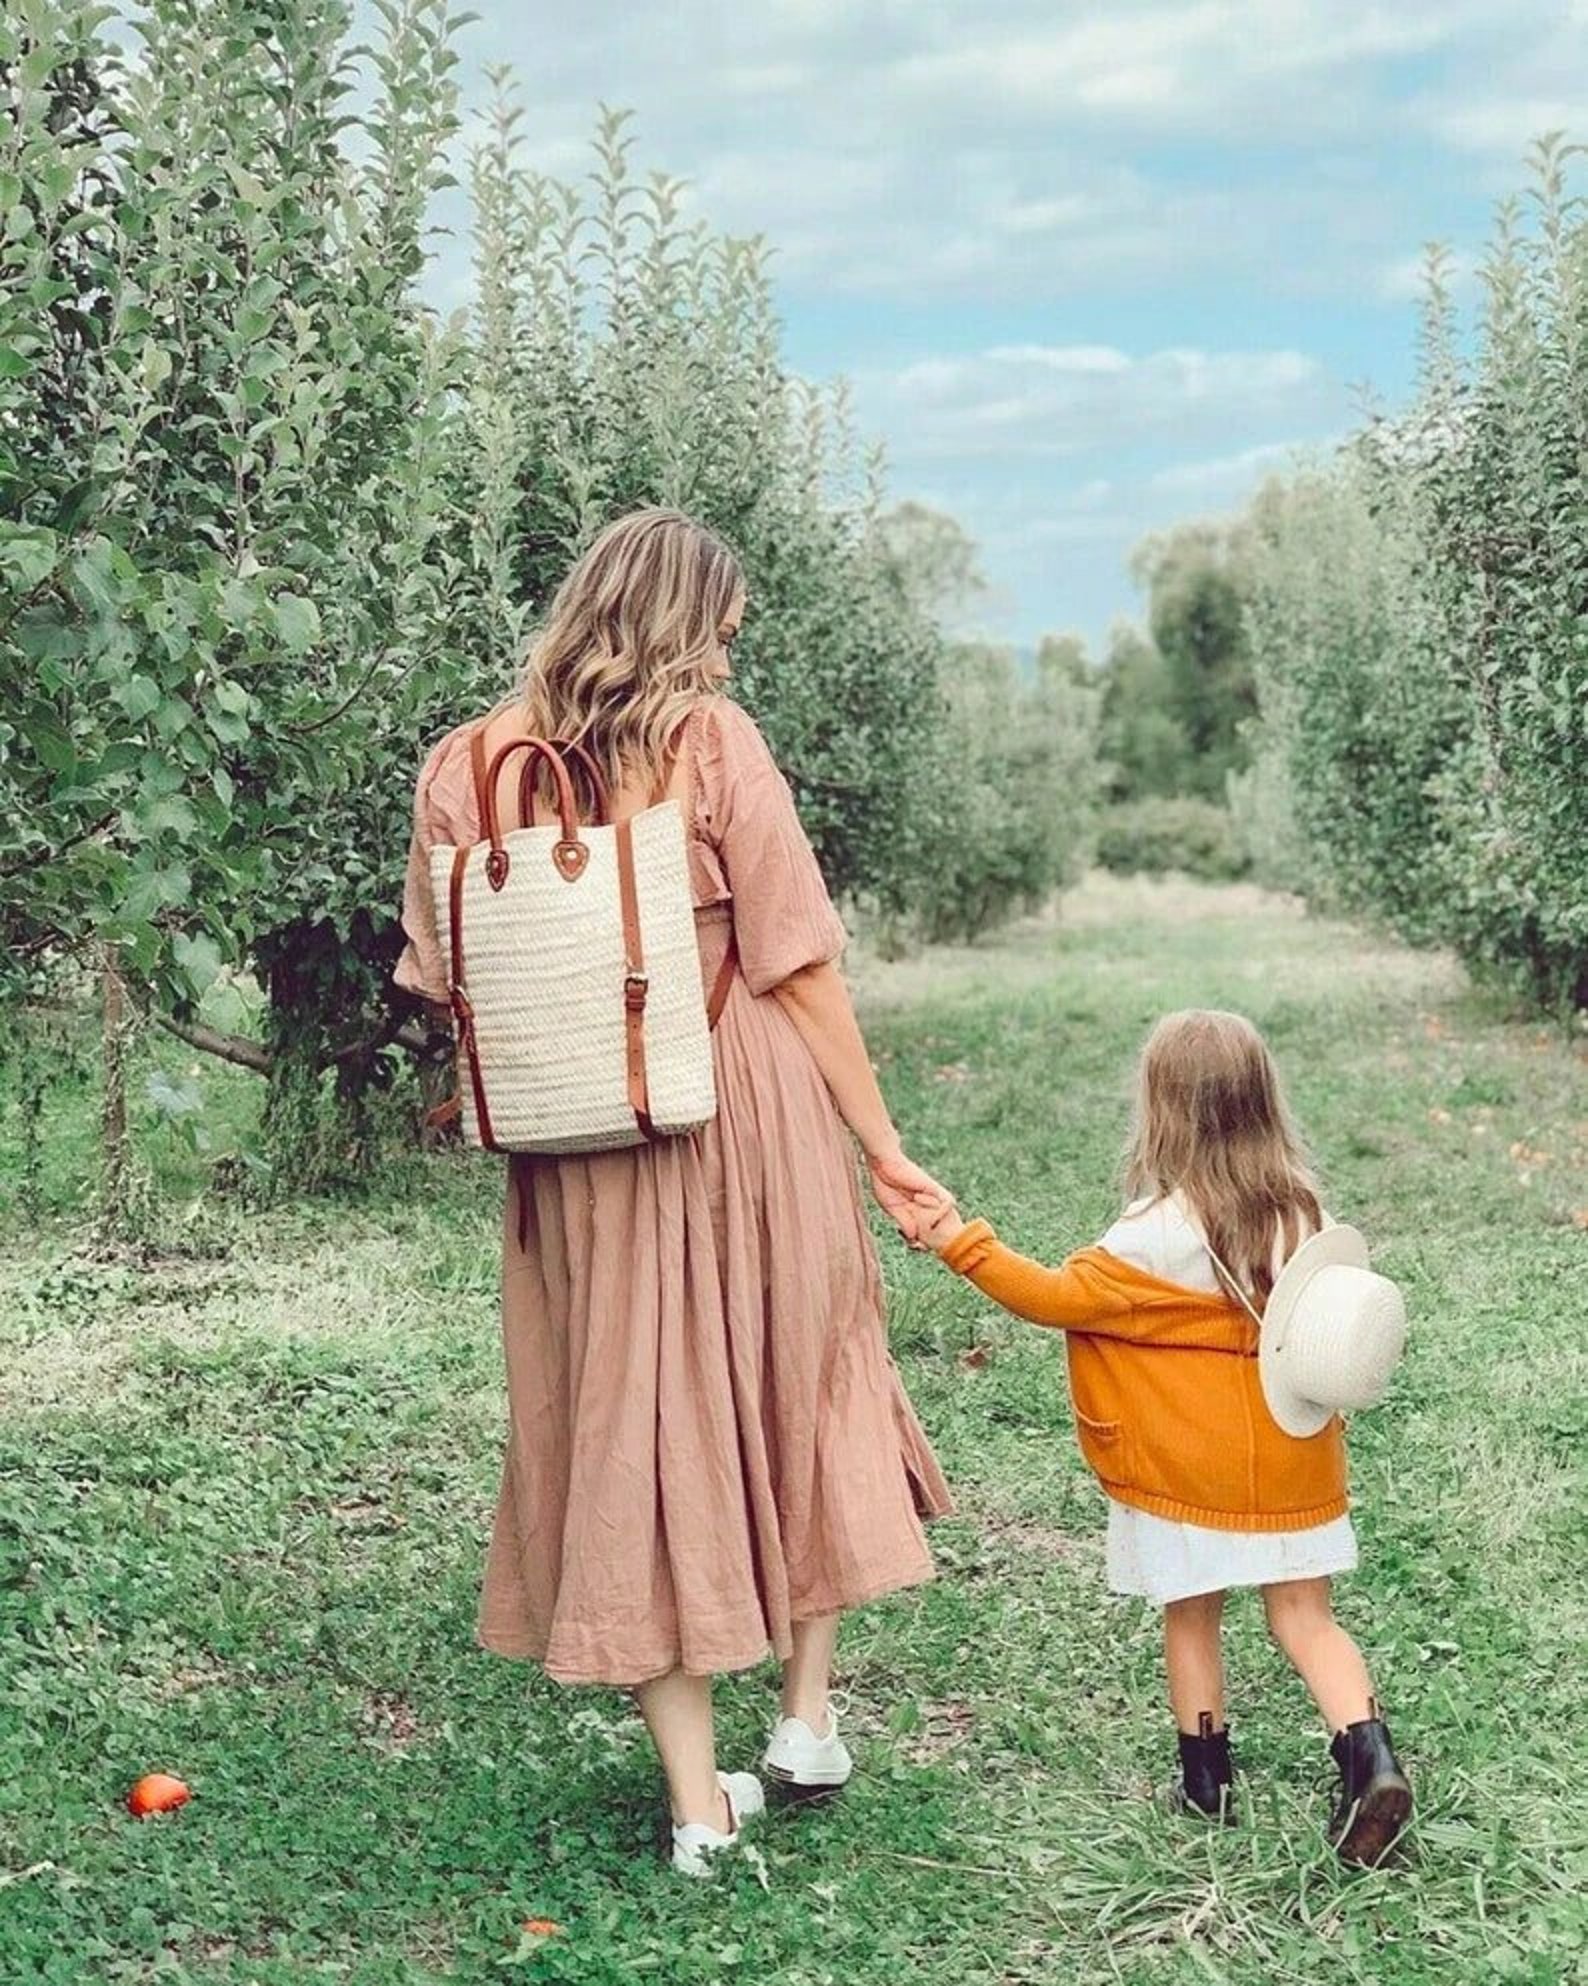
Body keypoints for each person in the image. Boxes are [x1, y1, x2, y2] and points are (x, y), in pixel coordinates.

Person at [393, 508, 952, 1876]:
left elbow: (439, 976)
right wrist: (882, 1144)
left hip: (575, 1147)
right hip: (734, 1107)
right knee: (809, 1369)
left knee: (631, 1424)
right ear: (679, 621)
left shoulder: (465, 764)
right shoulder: (710, 743)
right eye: (724, 626)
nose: (731, 651)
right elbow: (798, 963)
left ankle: (701, 1804)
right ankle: (805, 1717)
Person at [909, 1009, 1412, 1866]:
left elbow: (1053, 1297)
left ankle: (1207, 1786)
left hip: (1188, 1467)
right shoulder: (1306, 1214)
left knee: (1192, 1615)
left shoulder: (1151, 1233)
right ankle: (1372, 1761)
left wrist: (958, 1239)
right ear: (1263, 1102)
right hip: (1293, 1452)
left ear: (1161, 1111)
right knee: (1306, 1618)